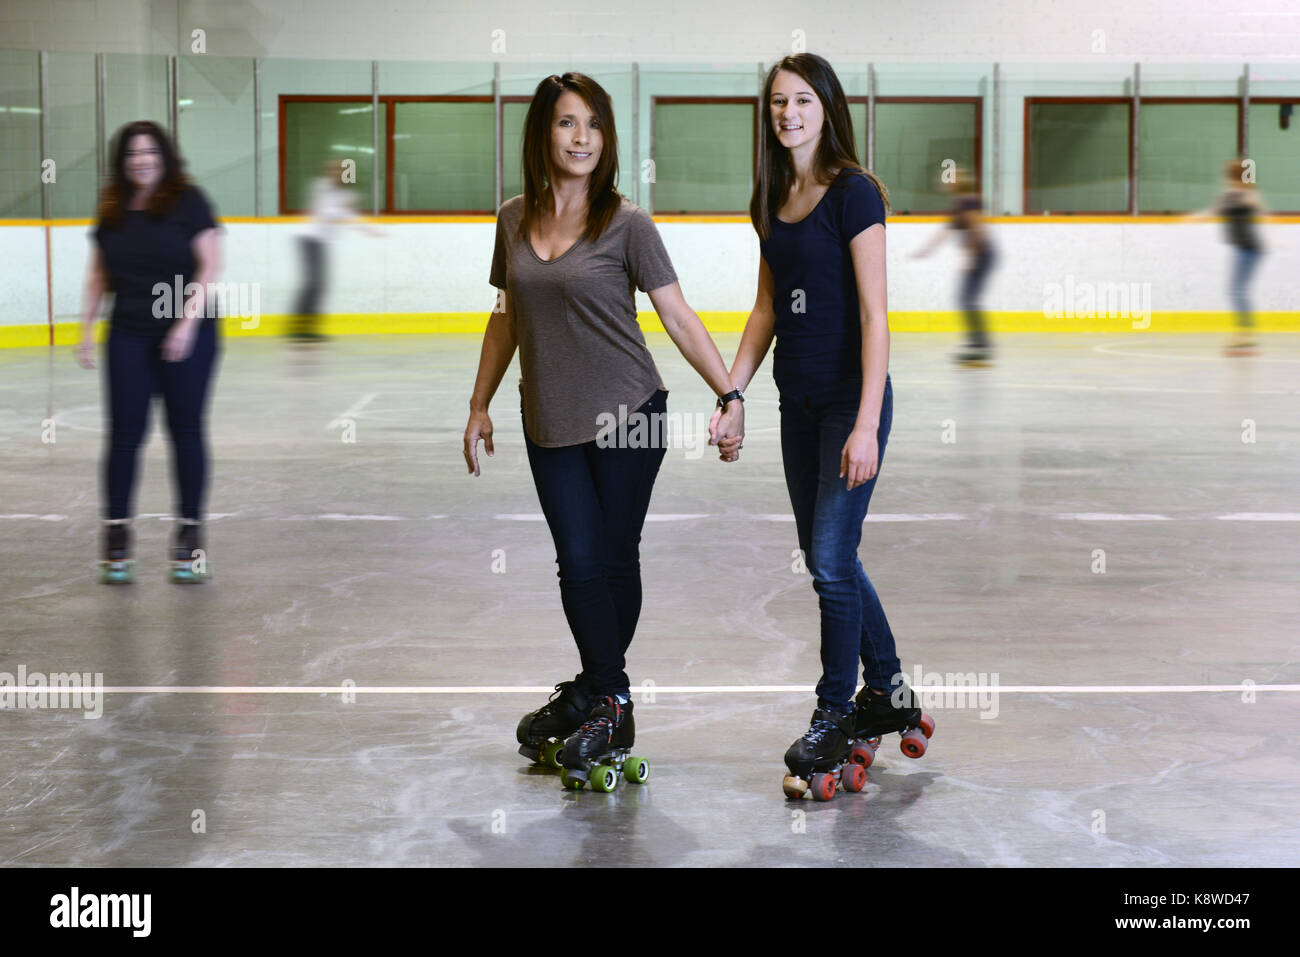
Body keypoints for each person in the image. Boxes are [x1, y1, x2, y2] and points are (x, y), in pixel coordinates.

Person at [463, 72, 744, 788]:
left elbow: (677, 316)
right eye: (566, 123)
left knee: (610, 557)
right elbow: (505, 317)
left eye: (593, 123)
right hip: (547, 418)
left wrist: (729, 392)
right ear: (543, 133)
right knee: (577, 557)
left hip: (630, 414)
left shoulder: (627, 222)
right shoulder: (512, 218)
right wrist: (479, 403)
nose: (581, 136)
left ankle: (603, 696)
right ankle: (603, 693)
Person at [715, 53, 930, 800]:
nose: (789, 113)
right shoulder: (771, 196)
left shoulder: (856, 194)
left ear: (826, 107)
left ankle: (834, 709)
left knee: (831, 563)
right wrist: (732, 388)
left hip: (849, 403)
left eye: (802, 100)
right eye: (778, 102)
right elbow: (767, 307)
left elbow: (876, 315)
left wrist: (866, 423)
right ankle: (890, 686)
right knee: (826, 552)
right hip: (795, 404)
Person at [77, 120, 223, 584]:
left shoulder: (188, 200)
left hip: (189, 334)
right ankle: (116, 534)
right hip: (129, 334)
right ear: (123, 161)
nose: (142, 160)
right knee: (124, 435)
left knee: (185, 431)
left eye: (151, 152)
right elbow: (99, 275)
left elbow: (210, 265)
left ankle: (189, 538)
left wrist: (184, 325)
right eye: (133, 153)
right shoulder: (112, 207)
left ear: (164, 157)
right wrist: (85, 330)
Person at [289, 159, 381, 341]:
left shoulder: (341, 193)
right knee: (314, 283)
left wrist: (367, 228)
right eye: (334, 170)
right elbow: (328, 213)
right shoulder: (321, 186)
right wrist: (346, 205)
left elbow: (348, 214)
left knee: (319, 284)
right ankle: (298, 327)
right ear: (328, 172)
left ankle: (308, 328)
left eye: (340, 171)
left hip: (320, 241)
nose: (337, 174)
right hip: (309, 238)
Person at [911, 165, 996, 364]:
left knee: (967, 299)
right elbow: (946, 231)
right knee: (967, 299)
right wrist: (926, 250)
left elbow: (977, 228)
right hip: (982, 254)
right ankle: (978, 342)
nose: (944, 182)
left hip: (983, 254)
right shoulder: (960, 203)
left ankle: (980, 344)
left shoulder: (967, 202)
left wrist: (971, 256)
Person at [1186, 158, 1268, 355]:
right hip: (1242, 248)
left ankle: (1246, 335)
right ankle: (1245, 334)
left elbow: (1258, 207)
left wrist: (1247, 193)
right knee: (1236, 290)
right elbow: (1216, 210)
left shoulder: (1246, 194)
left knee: (1237, 291)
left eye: (1228, 174)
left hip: (1250, 248)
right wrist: (1198, 217)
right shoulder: (1229, 195)